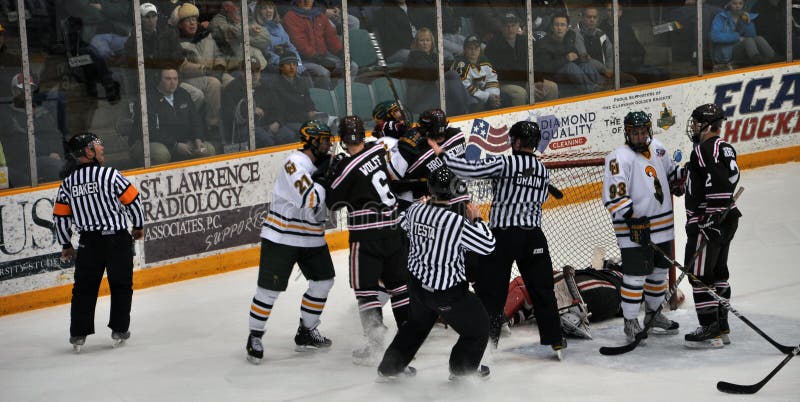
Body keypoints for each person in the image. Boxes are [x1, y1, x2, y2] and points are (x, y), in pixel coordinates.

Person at [431, 120, 566, 357]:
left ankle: (486, 341)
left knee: (491, 292)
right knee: (543, 289)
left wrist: (443, 155)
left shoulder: (505, 162)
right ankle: (555, 340)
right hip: (534, 237)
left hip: (503, 236)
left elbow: (469, 170)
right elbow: (542, 196)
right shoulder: (543, 170)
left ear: (517, 141)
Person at [377, 168, 495, 381]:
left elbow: (401, 222)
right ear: (452, 191)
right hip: (447, 293)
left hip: (417, 287)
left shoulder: (415, 211)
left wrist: (420, 207)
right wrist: (476, 219)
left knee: (415, 325)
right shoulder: (455, 222)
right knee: (478, 328)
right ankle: (462, 370)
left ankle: (390, 368)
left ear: (430, 189)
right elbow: (487, 245)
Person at [245, 120, 336, 364]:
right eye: (325, 140)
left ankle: (306, 331)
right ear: (313, 142)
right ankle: (255, 335)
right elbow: (311, 198)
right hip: (282, 236)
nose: (329, 145)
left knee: (324, 281)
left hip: (312, 235)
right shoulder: (294, 164)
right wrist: (326, 180)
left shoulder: (317, 164)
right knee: (269, 290)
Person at [323, 115, 409, 365]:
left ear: (343, 138)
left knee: (366, 290)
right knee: (399, 286)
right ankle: (408, 338)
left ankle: (376, 345)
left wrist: (331, 173)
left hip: (367, 237)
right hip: (393, 230)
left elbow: (332, 201)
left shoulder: (346, 168)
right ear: (363, 135)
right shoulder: (377, 151)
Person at [52, 132, 145, 353]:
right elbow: (133, 200)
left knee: (84, 289)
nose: (102, 149)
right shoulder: (110, 175)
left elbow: (61, 217)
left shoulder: (68, 183)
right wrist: (138, 226)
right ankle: (119, 329)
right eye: (97, 145)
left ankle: (78, 333)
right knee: (121, 285)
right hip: (117, 240)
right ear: (87, 151)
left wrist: (66, 244)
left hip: (88, 244)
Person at [601, 111, 683, 343]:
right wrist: (632, 219)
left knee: (659, 274)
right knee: (635, 277)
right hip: (634, 228)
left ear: (649, 131)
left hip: (662, 225)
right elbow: (613, 194)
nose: (639, 137)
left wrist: (682, 177)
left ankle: (653, 316)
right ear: (627, 133)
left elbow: (670, 172)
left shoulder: (658, 147)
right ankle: (630, 322)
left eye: (642, 132)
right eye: (634, 133)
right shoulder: (618, 158)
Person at [683, 103, 741, 349]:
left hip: (708, 222)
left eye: (697, 123)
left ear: (707, 126)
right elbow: (729, 178)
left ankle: (710, 327)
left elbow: (717, 181)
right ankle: (722, 325)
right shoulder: (725, 148)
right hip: (726, 219)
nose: (694, 127)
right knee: (719, 273)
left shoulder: (703, 149)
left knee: (699, 275)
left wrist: (710, 217)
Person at [143, 68, 216, 164]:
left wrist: (198, 139)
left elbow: (195, 120)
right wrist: (175, 145)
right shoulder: (149, 99)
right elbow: (151, 132)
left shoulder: (183, 94)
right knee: (161, 155)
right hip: (161, 144)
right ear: (159, 80)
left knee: (208, 150)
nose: (172, 82)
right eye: (168, 79)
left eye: (175, 79)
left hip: (183, 143)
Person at [484, 12, 558, 103]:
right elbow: (499, 73)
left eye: (513, 25)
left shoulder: (525, 41)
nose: (510, 29)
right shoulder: (493, 45)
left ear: (518, 25)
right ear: (501, 27)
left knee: (552, 87)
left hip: (526, 81)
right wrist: (528, 84)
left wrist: (537, 80)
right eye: (507, 26)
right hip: (504, 84)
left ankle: (546, 116)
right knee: (520, 93)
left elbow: (536, 63)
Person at [282, 0, 357, 89]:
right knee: (323, 73)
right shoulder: (290, 17)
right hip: (303, 60)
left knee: (352, 66)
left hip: (322, 58)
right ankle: (324, 99)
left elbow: (331, 38)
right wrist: (319, 59)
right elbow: (300, 45)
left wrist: (341, 53)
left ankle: (340, 94)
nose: (306, 1)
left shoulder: (320, 16)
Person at [402, 28, 469, 116]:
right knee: (451, 77)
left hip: (433, 94)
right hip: (420, 101)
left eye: (427, 40)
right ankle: (465, 107)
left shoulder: (433, 57)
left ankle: (463, 107)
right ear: (417, 43)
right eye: (422, 40)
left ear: (432, 42)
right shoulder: (414, 57)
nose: (425, 43)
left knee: (453, 75)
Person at [534, 13, 604, 96]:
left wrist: (580, 57)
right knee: (570, 67)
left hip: (567, 72)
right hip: (551, 75)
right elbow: (545, 68)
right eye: (556, 25)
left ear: (567, 28)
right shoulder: (544, 44)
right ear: (552, 27)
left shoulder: (569, 37)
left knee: (585, 65)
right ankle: (592, 90)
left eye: (563, 25)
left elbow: (573, 54)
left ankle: (602, 85)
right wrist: (566, 59)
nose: (559, 28)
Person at [263, 53, 319, 145]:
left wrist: (312, 110)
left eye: (294, 64)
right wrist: (306, 115)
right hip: (285, 122)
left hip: (302, 119)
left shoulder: (302, 82)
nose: (292, 67)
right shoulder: (274, 85)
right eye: (288, 64)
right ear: (281, 67)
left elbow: (309, 102)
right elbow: (279, 110)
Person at [709, 0, 775, 71]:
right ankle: (757, 61)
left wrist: (748, 23)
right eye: (734, 3)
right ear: (729, 4)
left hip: (743, 52)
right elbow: (715, 36)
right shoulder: (721, 17)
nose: (738, 6)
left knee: (759, 38)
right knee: (748, 40)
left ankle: (773, 58)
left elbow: (752, 36)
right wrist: (737, 37)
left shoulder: (744, 16)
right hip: (726, 54)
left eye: (740, 3)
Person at [450, 35, 504, 112]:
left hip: (484, 94)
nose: (473, 51)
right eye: (470, 48)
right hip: (467, 98)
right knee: (477, 104)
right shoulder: (460, 64)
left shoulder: (484, 60)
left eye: (476, 48)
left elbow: (492, 79)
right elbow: (464, 86)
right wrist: (487, 97)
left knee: (504, 98)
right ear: (464, 49)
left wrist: (493, 95)